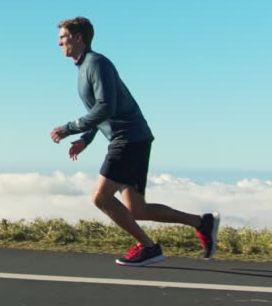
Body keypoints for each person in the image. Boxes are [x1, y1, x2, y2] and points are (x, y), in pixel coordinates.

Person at [50, 16, 219, 266]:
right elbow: (101, 109)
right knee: (137, 209)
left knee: (101, 198)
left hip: (127, 139)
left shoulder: (97, 64)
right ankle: (201, 223)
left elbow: (107, 107)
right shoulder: (85, 66)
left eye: (63, 37)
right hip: (132, 138)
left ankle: (149, 247)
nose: (58, 43)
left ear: (78, 37)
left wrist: (69, 128)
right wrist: (86, 138)